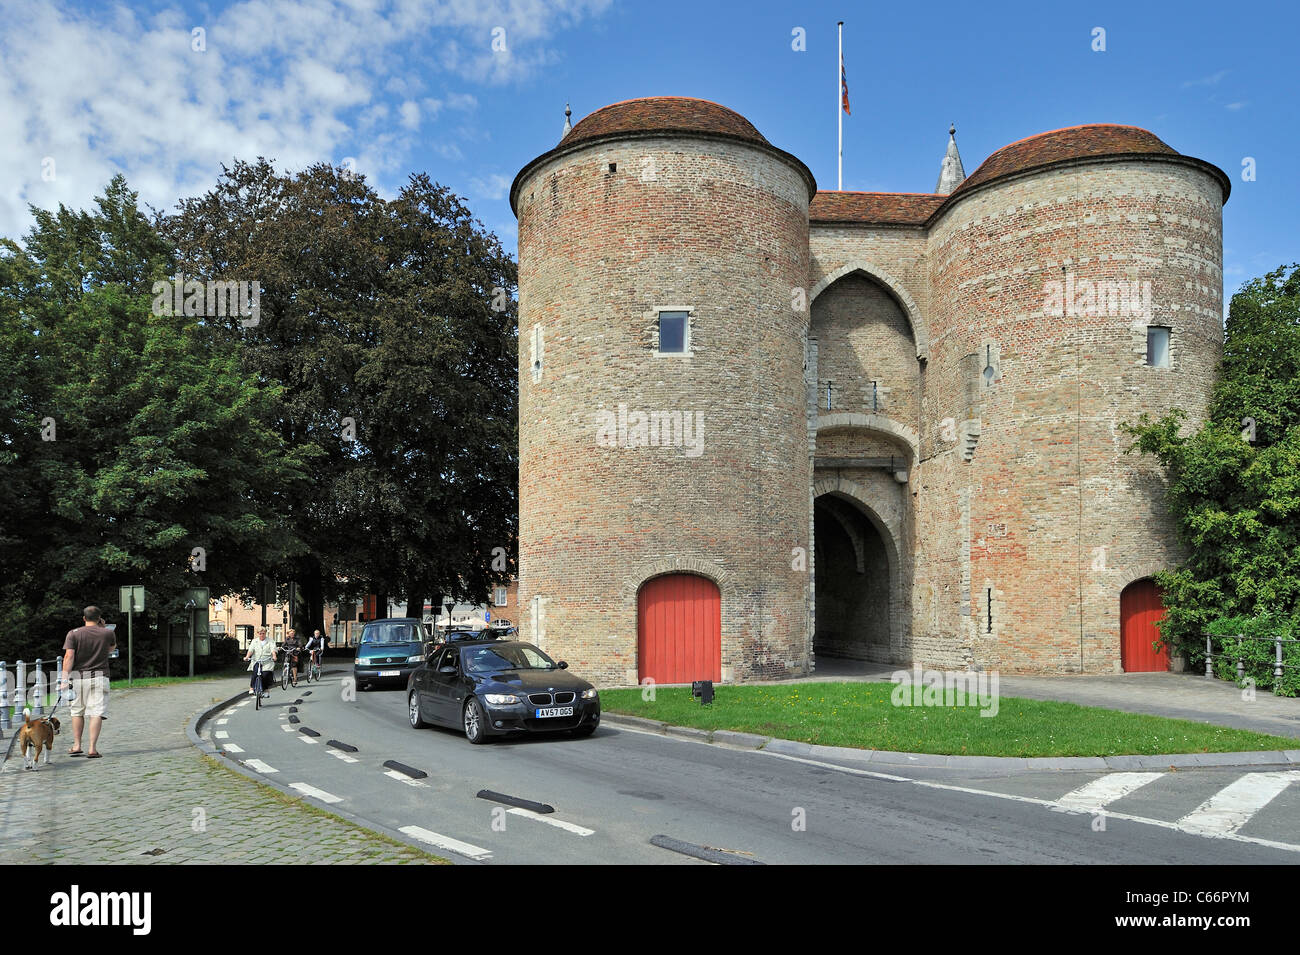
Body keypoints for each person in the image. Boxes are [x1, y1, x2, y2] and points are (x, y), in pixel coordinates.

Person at [59, 606, 116, 758]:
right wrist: (103, 628)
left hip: (78, 677)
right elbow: (110, 650)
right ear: (99, 618)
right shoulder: (108, 633)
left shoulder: (73, 634)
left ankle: (77, 745)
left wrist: (64, 679)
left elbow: (69, 657)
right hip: (100, 677)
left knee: (77, 711)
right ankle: (92, 748)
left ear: (84, 618)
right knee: (96, 712)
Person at [243, 627, 277, 696]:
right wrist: (247, 657)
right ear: (258, 633)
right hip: (257, 660)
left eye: (263, 633)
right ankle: (252, 687)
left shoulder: (270, 641)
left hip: (267, 661)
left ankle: (266, 689)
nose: (262, 635)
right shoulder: (254, 641)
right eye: (260, 633)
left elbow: (273, 649)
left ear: (265, 633)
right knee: (255, 672)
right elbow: (251, 650)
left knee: (265, 674)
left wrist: (274, 656)